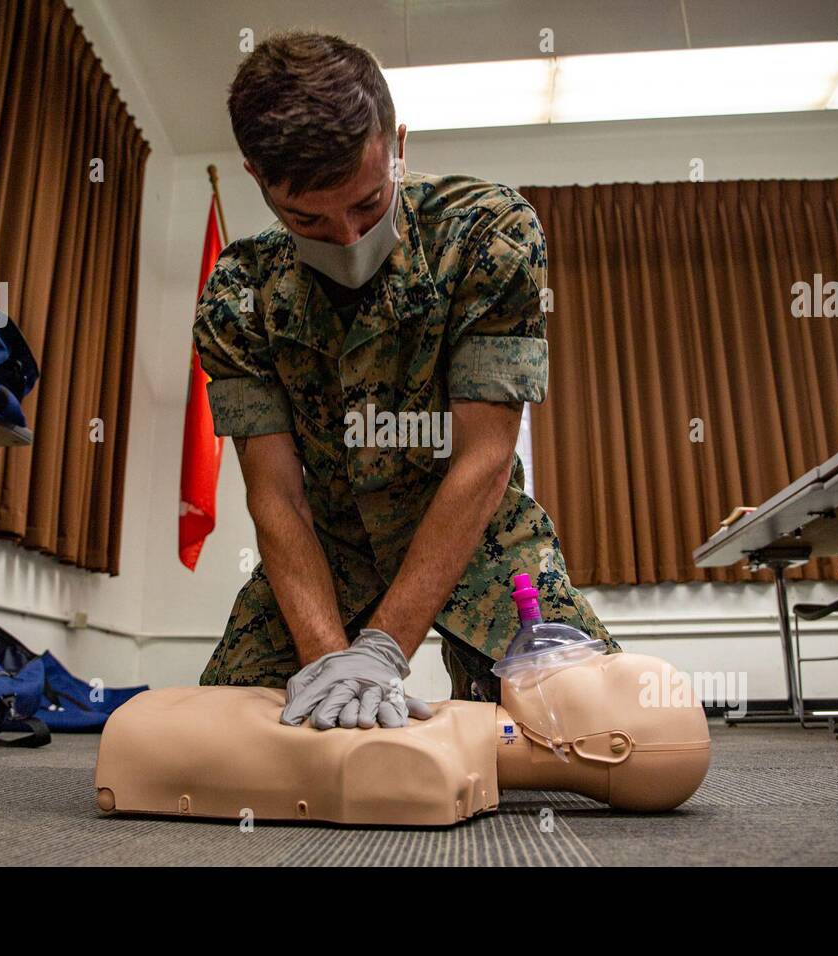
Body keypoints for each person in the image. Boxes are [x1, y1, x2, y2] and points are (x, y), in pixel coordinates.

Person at [193, 30, 615, 728]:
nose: (348, 238)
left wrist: (382, 648)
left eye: (366, 203)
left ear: (398, 145)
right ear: (256, 178)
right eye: (308, 219)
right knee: (233, 739)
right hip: (325, 550)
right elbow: (277, 496)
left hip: (478, 534)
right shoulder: (239, 295)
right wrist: (335, 666)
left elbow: (483, 459)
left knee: (596, 730)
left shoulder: (489, 237)